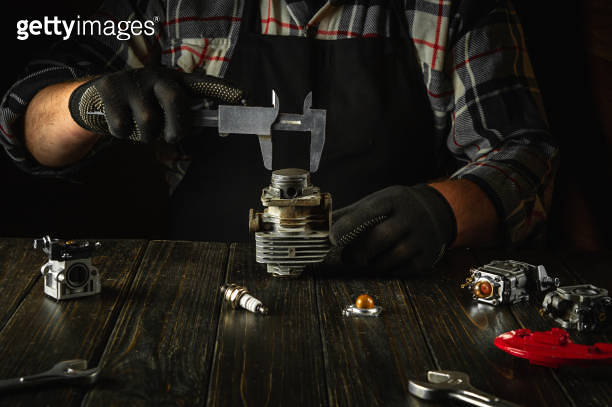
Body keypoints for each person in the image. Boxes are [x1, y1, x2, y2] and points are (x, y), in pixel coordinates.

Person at [0, 0, 558, 272]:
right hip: (200, 297)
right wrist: (85, 101)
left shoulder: (454, 7)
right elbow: (26, 123)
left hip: (398, 297)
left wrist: (443, 211)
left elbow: (524, 153)